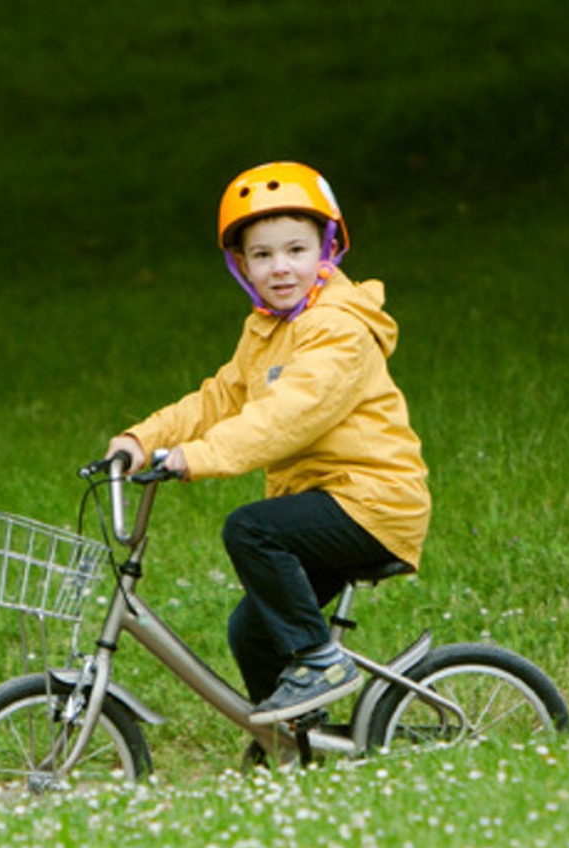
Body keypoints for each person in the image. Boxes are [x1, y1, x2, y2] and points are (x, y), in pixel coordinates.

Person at [107, 161, 430, 725]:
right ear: (242, 266)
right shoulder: (267, 329)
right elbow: (219, 398)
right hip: (328, 501)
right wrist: (143, 439)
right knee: (252, 630)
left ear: (327, 250)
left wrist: (198, 457)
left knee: (251, 529)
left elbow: (289, 416)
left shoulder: (339, 329)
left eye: (296, 250)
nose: (280, 268)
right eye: (262, 255)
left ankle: (322, 663)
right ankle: (293, 745)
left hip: (375, 503)